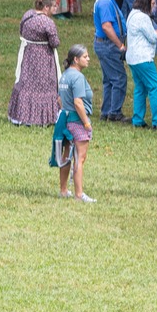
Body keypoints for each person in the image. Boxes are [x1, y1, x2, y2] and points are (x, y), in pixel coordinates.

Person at [54, 45, 95, 200]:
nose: (88, 59)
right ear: (76, 59)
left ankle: (63, 190)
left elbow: (59, 99)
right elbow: (78, 102)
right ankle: (79, 194)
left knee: (67, 155)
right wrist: (86, 123)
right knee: (80, 157)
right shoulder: (78, 77)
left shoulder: (65, 75)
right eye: (85, 56)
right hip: (77, 121)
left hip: (65, 119)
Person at [125, 0, 157, 128]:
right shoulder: (143, 17)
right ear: (146, 3)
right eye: (152, 4)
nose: (154, 6)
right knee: (155, 87)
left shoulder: (132, 14)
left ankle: (137, 119)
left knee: (140, 88)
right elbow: (153, 38)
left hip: (132, 57)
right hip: (143, 58)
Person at [92, 0, 128, 122]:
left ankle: (106, 111)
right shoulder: (105, 3)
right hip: (109, 45)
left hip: (105, 44)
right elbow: (107, 26)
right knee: (119, 79)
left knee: (109, 80)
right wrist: (120, 45)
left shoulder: (106, 0)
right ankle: (114, 113)